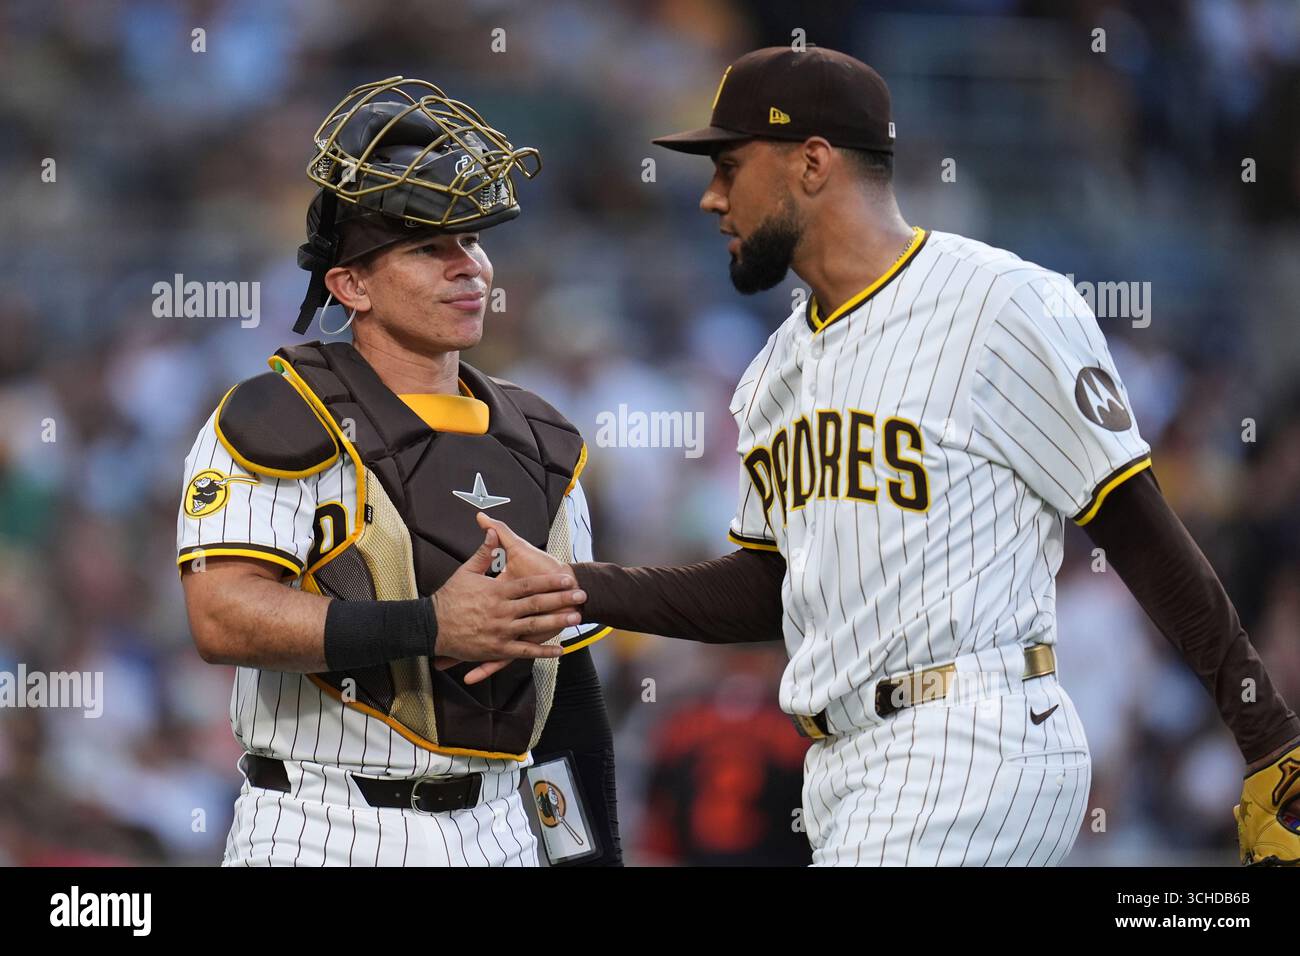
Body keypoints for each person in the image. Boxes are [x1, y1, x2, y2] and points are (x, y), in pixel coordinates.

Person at [475, 47, 1300, 866]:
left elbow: (1139, 530)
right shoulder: (774, 374)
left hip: (973, 734)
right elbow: (768, 588)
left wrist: (1269, 741)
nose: (710, 197)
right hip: (842, 764)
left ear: (812, 162)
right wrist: (580, 589)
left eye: (729, 166)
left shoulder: (1001, 304)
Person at [176, 76, 619, 867]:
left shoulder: (545, 438)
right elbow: (222, 617)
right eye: (429, 247)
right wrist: (431, 626)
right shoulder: (278, 415)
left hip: (503, 825)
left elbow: (565, 684)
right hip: (323, 818)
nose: (469, 267)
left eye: (474, 241)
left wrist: (593, 858)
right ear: (351, 285)